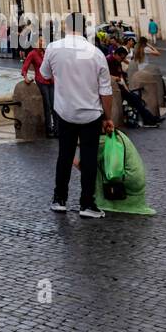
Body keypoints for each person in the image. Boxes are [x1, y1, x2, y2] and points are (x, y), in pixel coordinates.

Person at [41, 13, 114, 219]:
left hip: (65, 112)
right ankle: (87, 203)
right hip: (91, 113)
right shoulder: (95, 52)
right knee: (89, 158)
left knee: (64, 155)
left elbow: (45, 74)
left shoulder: (53, 48)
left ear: (66, 26)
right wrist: (108, 118)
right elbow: (106, 91)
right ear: (84, 28)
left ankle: (59, 199)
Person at [21, 36, 56, 137]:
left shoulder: (47, 53)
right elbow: (25, 67)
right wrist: (26, 77)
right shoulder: (33, 53)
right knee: (47, 105)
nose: (44, 42)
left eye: (44, 40)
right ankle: (49, 130)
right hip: (41, 81)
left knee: (54, 105)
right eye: (41, 41)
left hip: (51, 81)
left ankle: (57, 129)